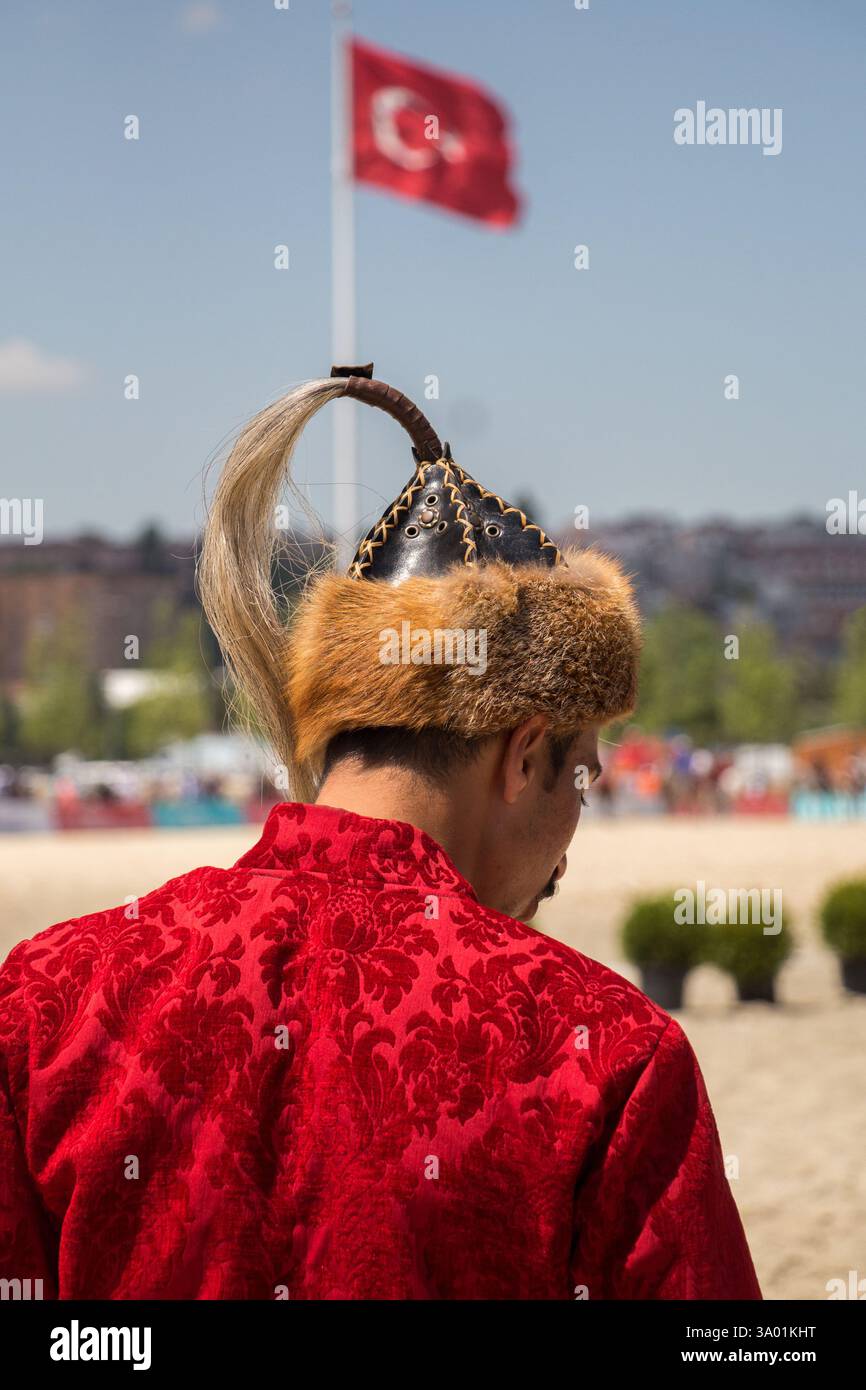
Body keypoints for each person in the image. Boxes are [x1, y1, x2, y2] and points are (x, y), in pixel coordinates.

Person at [0, 366, 761, 1299]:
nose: (568, 848)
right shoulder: (605, 1058)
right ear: (524, 757)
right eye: (583, 777)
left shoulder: (43, 1005)